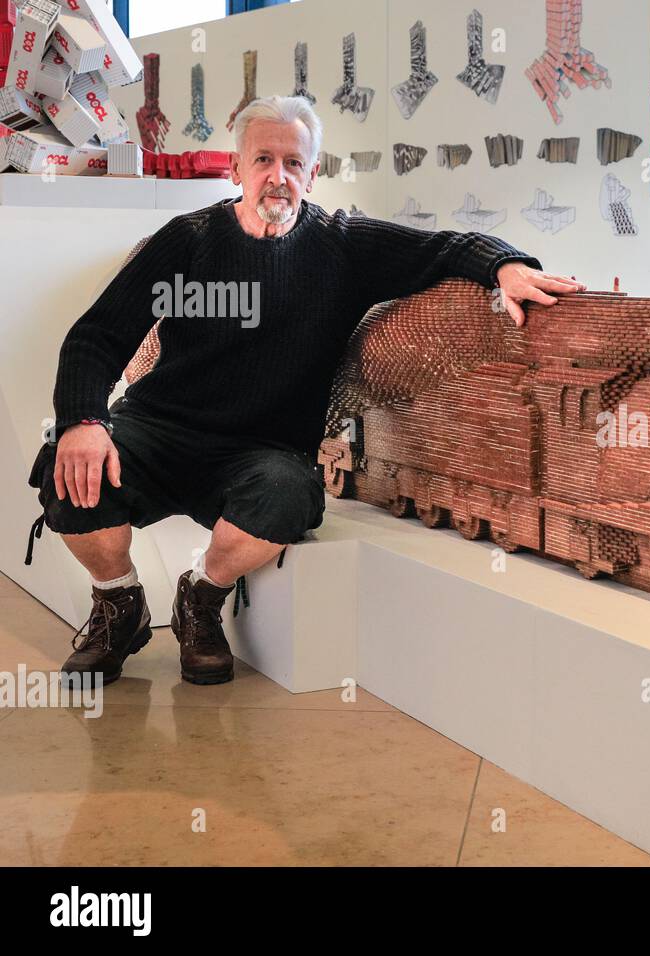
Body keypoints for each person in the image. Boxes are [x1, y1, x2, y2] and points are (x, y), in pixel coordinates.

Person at [27, 94, 585, 687]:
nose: (278, 176)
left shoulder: (342, 245)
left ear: (312, 175)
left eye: (294, 163)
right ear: (236, 169)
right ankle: (119, 603)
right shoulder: (187, 240)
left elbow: (443, 247)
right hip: (159, 428)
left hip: (261, 450)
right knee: (68, 478)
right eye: (263, 159)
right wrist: (83, 422)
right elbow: (96, 336)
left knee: (288, 498)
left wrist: (506, 265)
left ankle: (201, 598)